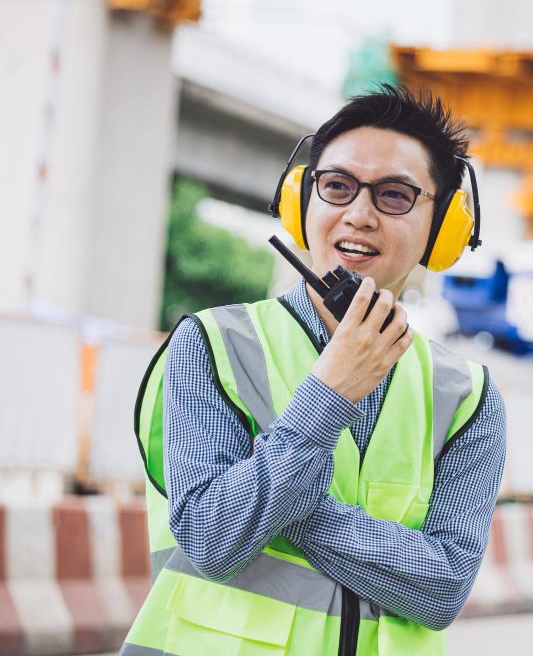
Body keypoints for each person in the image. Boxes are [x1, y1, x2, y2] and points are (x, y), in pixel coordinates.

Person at [122, 85, 507, 655]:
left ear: (444, 226)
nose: (358, 214)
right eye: (337, 186)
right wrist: (328, 395)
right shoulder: (213, 344)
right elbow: (212, 537)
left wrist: (282, 510)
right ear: (301, 200)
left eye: (395, 195)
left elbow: (442, 588)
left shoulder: (468, 397)